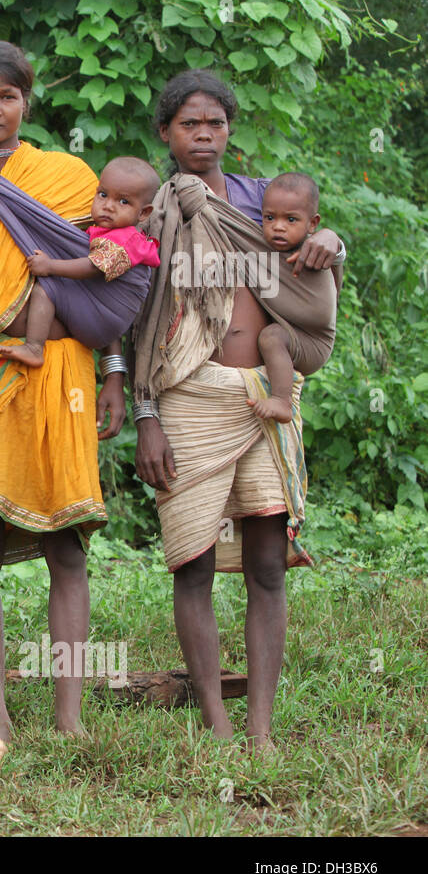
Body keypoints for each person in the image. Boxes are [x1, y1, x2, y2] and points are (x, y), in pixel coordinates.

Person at [0, 38, 129, 763]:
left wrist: (113, 374)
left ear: (26, 103)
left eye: (6, 96)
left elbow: (108, 282)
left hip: (61, 371)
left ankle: (69, 715)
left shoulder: (70, 178)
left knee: (66, 547)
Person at [131, 69, 343, 751]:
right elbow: (126, 313)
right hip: (189, 394)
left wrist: (333, 241)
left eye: (216, 123)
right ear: (166, 132)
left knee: (266, 566)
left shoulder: (260, 201)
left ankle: (260, 726)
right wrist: (145, 415)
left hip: (265, 397)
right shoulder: (153, 208)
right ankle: (216, 724)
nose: (204, 134)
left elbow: (316, 236)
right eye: (189, 123)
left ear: (230, 130)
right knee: (192, 563)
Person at [0, 156, 161, 368]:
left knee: (46, 289)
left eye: (123, 201)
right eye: (103, 195)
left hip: (104, 318)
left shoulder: (127, 239)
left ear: (144, 213)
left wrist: (50, 266)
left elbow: (94, 267)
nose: (108, 206)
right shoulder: (103, 230)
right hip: (91, 325)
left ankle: (34, 348)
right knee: (46, 308)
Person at [250, 171, 333, 421]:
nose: (278, 226)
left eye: (291, 220)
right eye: (270, 217)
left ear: (312, 224)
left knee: (271, 336)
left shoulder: (315, 250)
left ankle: (282, 401)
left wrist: (332, 240)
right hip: (292, 334)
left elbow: (333, 274)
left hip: (313, 340)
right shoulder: (256, 243)